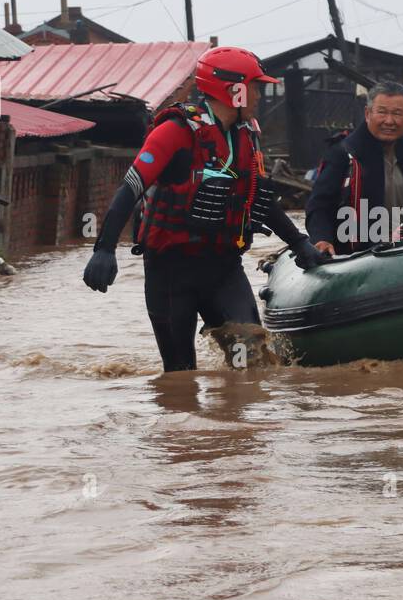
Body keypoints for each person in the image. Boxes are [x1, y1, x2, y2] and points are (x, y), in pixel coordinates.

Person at [82, 45, 324, 372]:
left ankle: (233, 421)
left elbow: (254, 199)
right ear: (234, 90)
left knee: (251, 359)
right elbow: (130, 188)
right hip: (170, 273)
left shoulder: (245, 136)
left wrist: (298, 242)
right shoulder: (175, 132)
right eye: (256, 87)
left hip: (223, 268)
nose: (258, 96)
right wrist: (105, 248)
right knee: (181, 378)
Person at [306, 81, 403, 255]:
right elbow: (318, 205)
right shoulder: (343, 154)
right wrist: (322, 239)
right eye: (382, 112)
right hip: (359, 256)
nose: (389, 121)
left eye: (397, 113)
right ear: (368, 114)